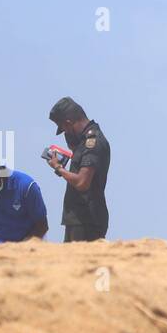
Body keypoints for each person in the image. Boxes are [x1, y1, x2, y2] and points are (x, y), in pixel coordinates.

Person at [45, 97, 111, 242]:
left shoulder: (92, 142)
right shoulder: (84, 142)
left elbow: (82, 182)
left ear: (68, 123)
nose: (65, 134)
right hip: (78, 218)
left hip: (86, 219)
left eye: (64, 129)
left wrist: (58, 167)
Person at [0, 158, 48, 243]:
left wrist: (22, 247)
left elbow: (42, 226)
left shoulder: (26, 186)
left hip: (29, 241)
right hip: (0, 242)